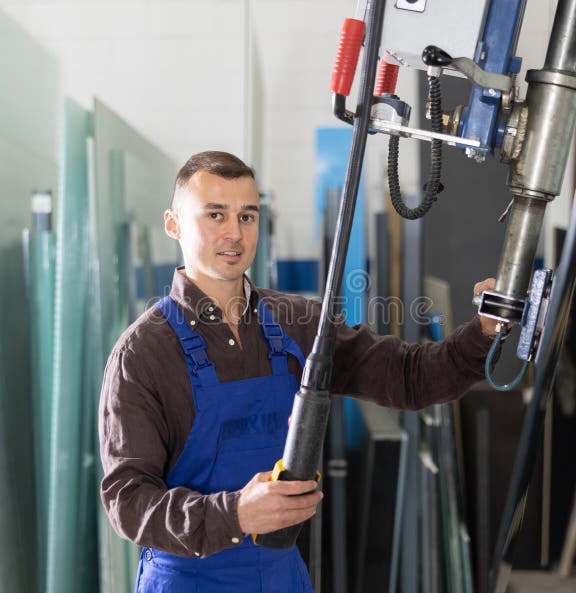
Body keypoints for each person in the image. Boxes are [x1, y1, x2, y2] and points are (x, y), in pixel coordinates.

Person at [99, 151, 502, 593]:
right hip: (186, 580)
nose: (234, 233)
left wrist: (482, 333)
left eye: (247, 216)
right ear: (173, 224)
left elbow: (407, 377)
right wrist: (234, 514)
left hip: (281, 576)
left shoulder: (296, 321)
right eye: (215, 214)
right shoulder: (143, 353)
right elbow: (128, 500)